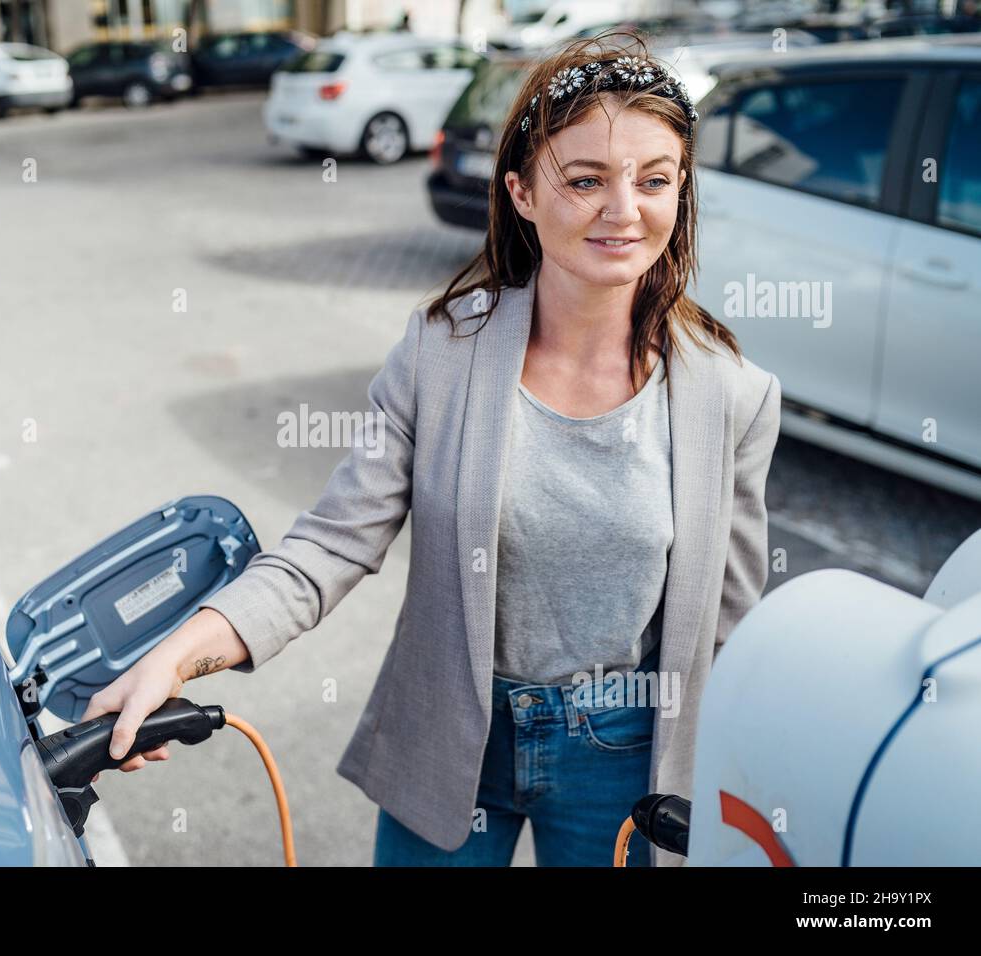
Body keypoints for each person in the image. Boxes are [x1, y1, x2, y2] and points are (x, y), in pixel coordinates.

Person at [79, 33, 782, 867]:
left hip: (626, 755)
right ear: (521, 192)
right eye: (586, 179)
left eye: (654, 179)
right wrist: (179, 656)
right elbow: (330, 546)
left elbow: (733, 632)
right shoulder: (442, 352)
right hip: (453, 728)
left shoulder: (731, 396)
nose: (625, 209)